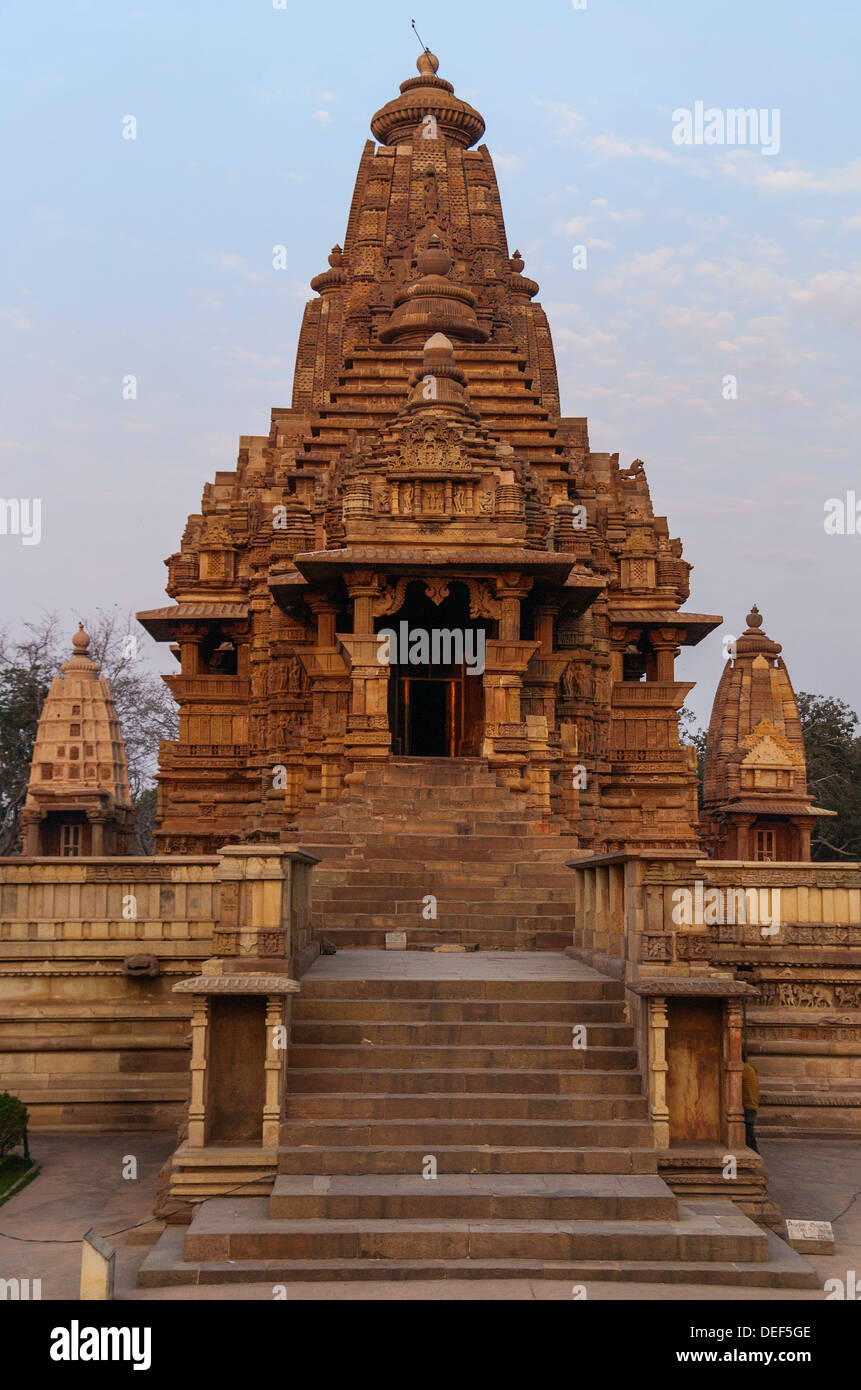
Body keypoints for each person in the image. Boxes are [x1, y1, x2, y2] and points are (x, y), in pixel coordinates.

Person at [742, 1048, 760, 1154]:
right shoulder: (750, 1069)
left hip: (748, 1106)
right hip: (752, 1105)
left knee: (748, 1135)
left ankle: (755, 1154)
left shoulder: (743, 1069)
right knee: (748, 1133)